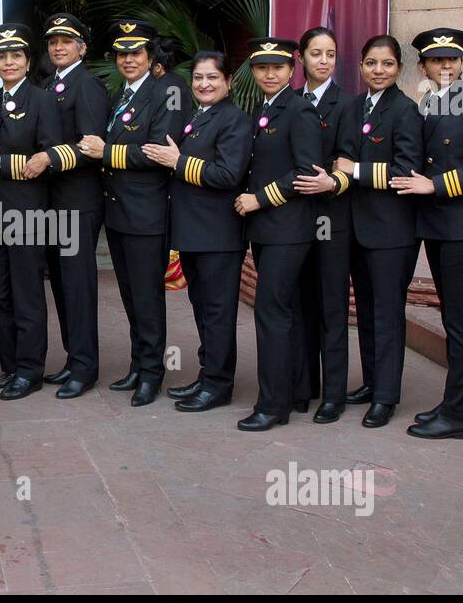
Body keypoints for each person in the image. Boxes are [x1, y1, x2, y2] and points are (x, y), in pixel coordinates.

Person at [399, 28, 463, 440]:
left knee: (461, 323)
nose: (446, 66)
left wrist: (437, 185)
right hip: (439, 228)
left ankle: (460, 414)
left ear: (461, 64)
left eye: (453, 60)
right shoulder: (429, 103)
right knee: (451, 317)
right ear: (423, 66)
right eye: (436, 60)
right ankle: (451, 400)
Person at [77, 19, 178, 407]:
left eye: (136, 52)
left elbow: (157, 153)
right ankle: (138, 364)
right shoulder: (124, 95)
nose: (128, 59)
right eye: (122, 53)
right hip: (119, 213)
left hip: (146, 213)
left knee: (148, 297)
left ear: (151, 56)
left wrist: (106, 151)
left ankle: (153, 373)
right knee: (131, 296)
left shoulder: (165, 90)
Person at [146, 50, 247, 412]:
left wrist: (179, 162)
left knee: (218, 313)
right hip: (194, 234)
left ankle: (219, 385)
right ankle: (208, 375)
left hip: (218, 236)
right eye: (199, 78)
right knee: (203, 309)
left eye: (212, 78)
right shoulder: (199, 116)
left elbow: (227, 175)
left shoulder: (233, 120)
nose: (204, 84)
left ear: (228, 82)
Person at [334, 36, 423, 428]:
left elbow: (406, 172)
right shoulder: (353, 107)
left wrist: (354, 171)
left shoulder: (406, 111)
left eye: (387, 64)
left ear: (399, 67)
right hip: (355, 228)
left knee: (387, 314)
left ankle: (386, 396)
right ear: (361, 66)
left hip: (391, 232)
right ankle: (371, 382)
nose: (378, 70)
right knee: (366, 312)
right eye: (371, 63)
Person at [234, 38, 321, 431]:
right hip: (270, 230)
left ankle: (272, 405)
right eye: (262, 68)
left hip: (288, 227)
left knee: (271, 312)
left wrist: (258, 200)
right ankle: (297, 391)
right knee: (287, 310)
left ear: (292, 69)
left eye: (278, 67)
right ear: (253, 71)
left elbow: (306, 171)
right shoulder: (263, 108)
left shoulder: (299, 109)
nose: (269, 74)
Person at [0, 24, 61, 400]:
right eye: (2, 57)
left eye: (16, 56)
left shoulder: (41, 100)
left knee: (26, 293)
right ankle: (11, 366)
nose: (8, 62)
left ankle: (30, 370)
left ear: (27, 62)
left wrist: (1, 162)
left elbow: (49, 158)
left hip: (26, 211)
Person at [32, 12, 109, 399]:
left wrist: (49, 157)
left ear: (82, 46)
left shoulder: (88, 85)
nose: (58, 47)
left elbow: (91, 145)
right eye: (53, 42)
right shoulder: (48, 85)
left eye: (67, 41)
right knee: (61, 285)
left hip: (78, 200)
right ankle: (72, 358)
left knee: (78, 285)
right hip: (52, 201)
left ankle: (85, 367)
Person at [290, 27, 354, 423]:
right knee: (299, 304)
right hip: (294, 217)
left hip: (333, 215)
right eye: (316, 53)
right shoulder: (290, 101)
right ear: (301, 58)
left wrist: (334, 179)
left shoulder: (347, 104)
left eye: (330, 53)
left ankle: (333, 394)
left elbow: (348, 158)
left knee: (332, 307)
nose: (324, 60)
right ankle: (301, 385)